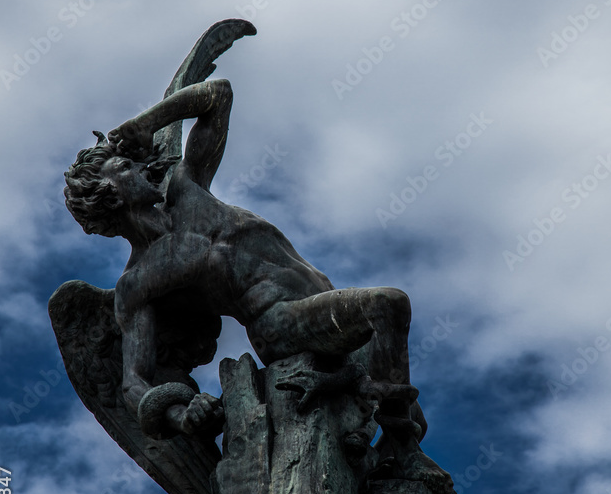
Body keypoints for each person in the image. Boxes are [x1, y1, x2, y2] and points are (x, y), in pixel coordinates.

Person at [64, 78, 424, 442]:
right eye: (125, 168)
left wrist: (147, 123)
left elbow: (218, 95)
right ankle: (399, 445)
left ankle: (389, 439)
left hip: (324, 302)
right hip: (281, 323)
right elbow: (134, 385)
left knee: (412, 414)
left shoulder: (188, 188)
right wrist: (182, 415)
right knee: (387, 305)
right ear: (108, 196)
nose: (141, 168)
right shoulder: (139, 281)